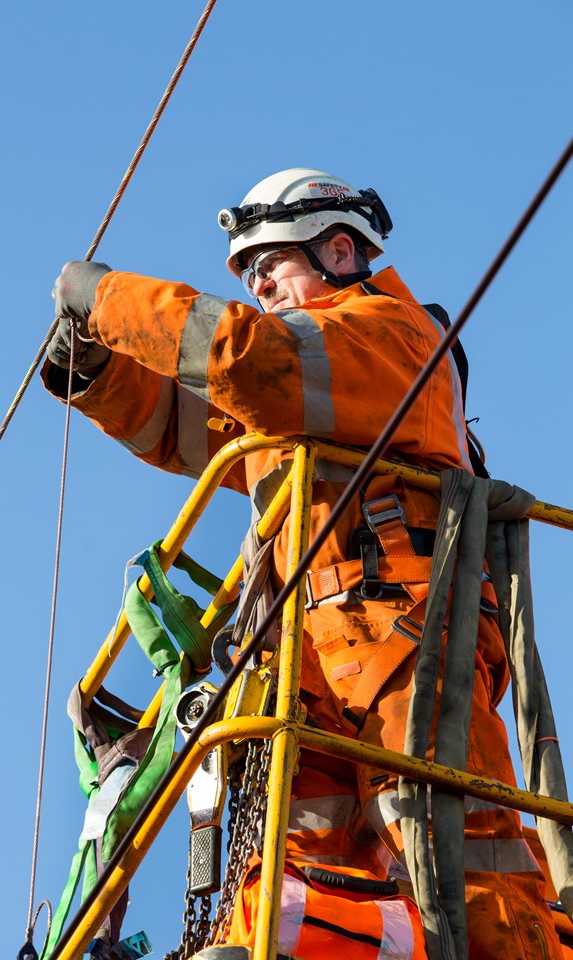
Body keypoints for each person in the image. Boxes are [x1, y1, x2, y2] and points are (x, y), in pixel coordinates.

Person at [43, 168, 564, 960]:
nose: (260, 290)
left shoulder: (387, 336)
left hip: (405, 637)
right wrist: (98, 375)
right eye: (249, 278)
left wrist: (108, 300)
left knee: (445, 843)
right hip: (311, 654)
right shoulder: (299, 389)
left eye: (271, 268)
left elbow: (242, 361)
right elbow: (199, 423)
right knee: (297, 857)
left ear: (341, 251)